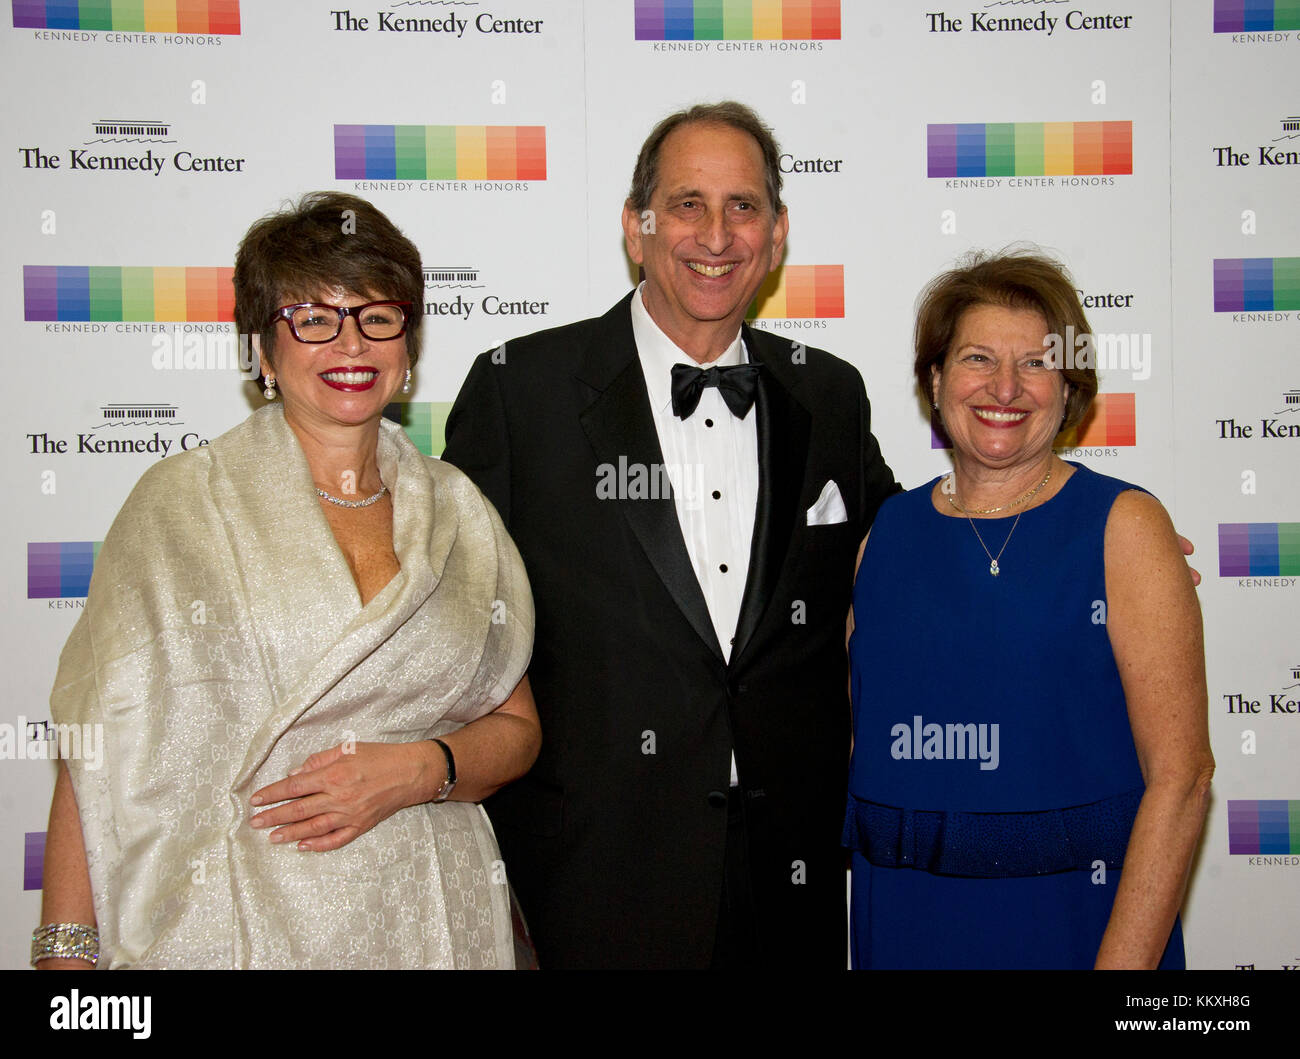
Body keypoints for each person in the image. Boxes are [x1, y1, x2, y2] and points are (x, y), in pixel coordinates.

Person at [441, 102, 899, 968]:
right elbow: (446, 608)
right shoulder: (522, 391)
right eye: (688, 204)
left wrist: (1084, 533)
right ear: (636, 228)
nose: (716, 235)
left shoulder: (829, 394)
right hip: (589, 880)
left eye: (744, 206)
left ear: (778, 232)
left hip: (788, 881)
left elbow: (911, 552)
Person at [35, 192, 539, 969]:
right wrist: (65, 961)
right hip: (234, 924)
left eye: (378, 314)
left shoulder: (459, 512)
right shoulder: (180, 505)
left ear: (407, 347)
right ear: (263, 353)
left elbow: (516, 729)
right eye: (313, 316)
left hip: (436, 920)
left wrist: (418, 769)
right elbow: (97, 749)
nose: (351, 340)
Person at [842, 249, 1214, 969]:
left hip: (1076, 930)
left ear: (1069, 390)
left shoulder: (1124, 526)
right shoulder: (884, 536)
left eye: (1037, 363)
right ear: (935, 377)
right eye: (978, 357)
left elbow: (1183, 778)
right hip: (905, 926)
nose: (1005, 387)